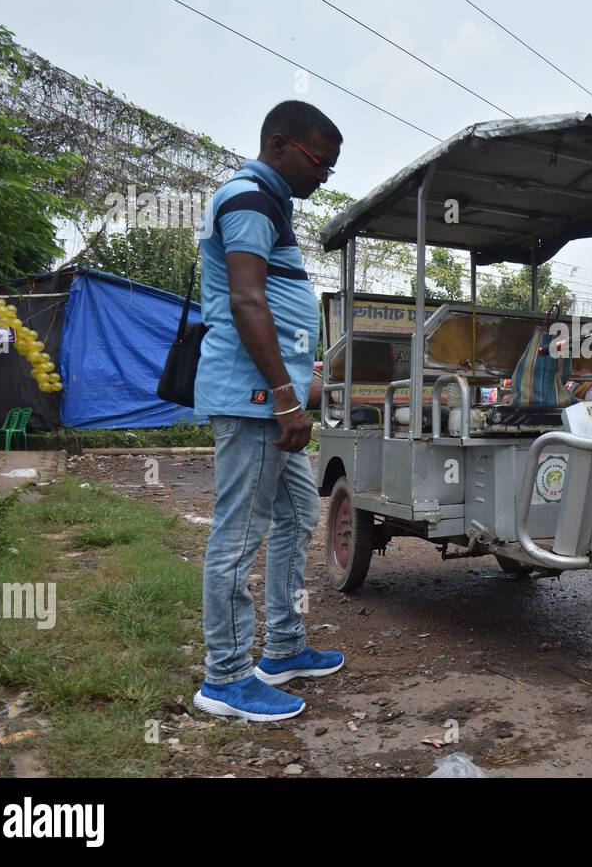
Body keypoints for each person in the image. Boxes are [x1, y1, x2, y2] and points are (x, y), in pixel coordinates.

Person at [192, 101, 345, 722]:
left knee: (297, 513)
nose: (322, 179)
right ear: (280, 145)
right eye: (319, 164)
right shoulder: (250, 198)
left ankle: (281, 648)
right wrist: (285, 397)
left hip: (268, 396)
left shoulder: (268, 200)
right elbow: (246, 301)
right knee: (240, 533)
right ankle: (224, 677)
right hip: (255, 400)